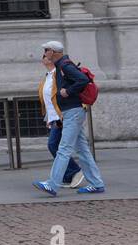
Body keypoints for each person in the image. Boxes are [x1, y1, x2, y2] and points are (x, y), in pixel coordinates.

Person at [32, 40, 107, 197]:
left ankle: (52, 184)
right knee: (82, 150)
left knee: (64, 149)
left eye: (46, 50)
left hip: (73, 111)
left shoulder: (65, 65)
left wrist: (69, 91)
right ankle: (96, 183)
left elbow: (83, 80)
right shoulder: (61, 66)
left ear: (53, 52)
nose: (44, 53)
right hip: (69, 112)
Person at [38, 46, 83, 188]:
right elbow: (47, 99)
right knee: (78, 148)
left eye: (45, 54)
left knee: (57, 146)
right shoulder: (47, 76)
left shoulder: (59, 72)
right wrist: (48, 117)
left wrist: (58, 115)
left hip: (64, 114)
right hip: (56, 117)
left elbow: (79, 82)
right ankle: (81, 176)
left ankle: (71, 173)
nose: (43, 57)